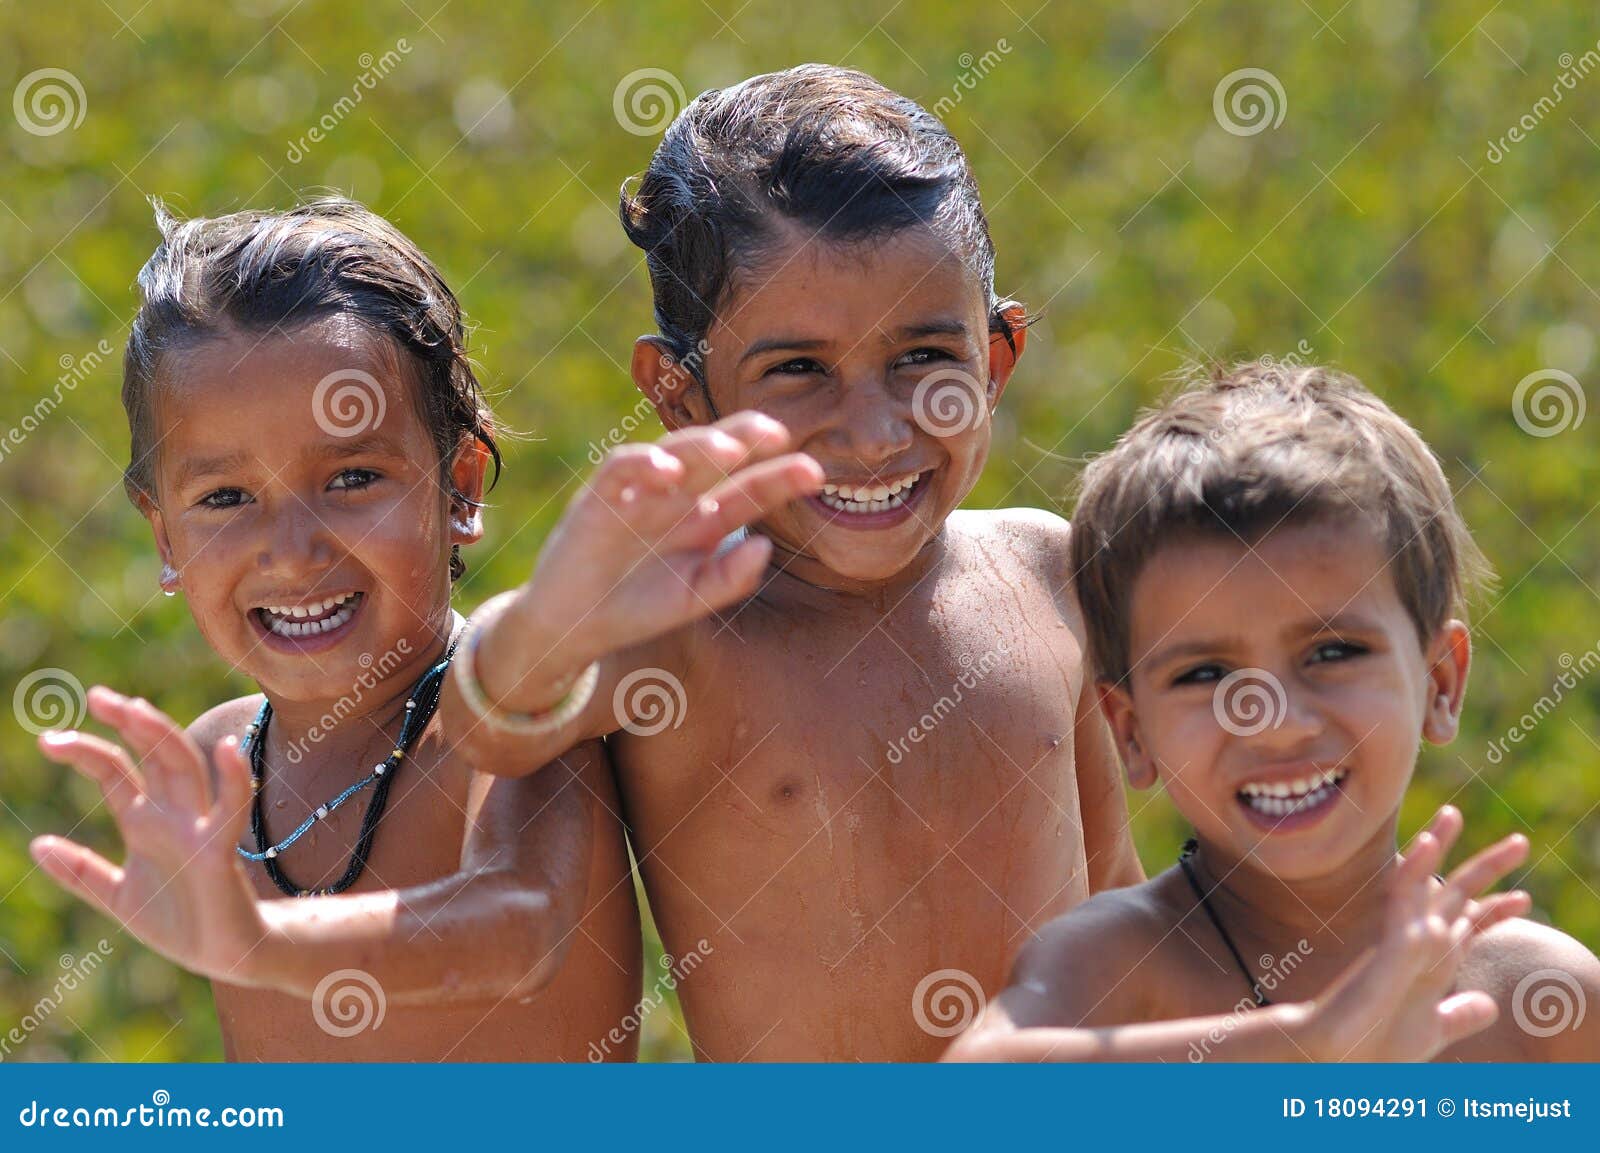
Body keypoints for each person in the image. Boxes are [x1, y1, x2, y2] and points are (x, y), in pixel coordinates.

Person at [438, 64, 1145, 1060]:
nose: (871, 431)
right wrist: (561, 607)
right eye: (799, 371)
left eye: (922, 359)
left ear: (993, 361)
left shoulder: (1047, 575)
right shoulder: (678, 637)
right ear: (681, 394)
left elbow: (1117, 899)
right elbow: (485, 721)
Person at [946, 360, 1600, 1061]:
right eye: (1205, 673)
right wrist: (1313, 1040)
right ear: (1130, 732)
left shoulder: (1538, 998)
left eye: (1333, 653)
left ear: (1440, 683)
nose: (1277, 720)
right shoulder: (1117, 965)